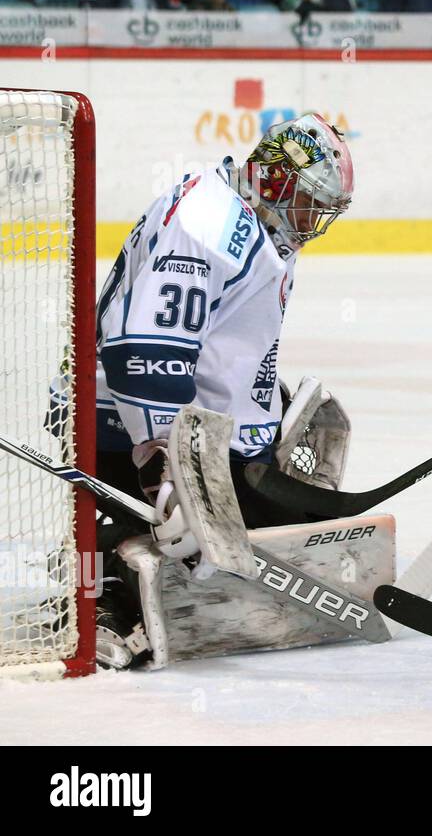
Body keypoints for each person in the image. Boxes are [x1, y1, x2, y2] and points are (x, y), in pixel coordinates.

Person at [92, 114, 354, 668]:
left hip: (204, 433)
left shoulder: (250, 218)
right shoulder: (208, 224)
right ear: (278, 180)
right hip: (125, 430)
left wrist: (266, 398)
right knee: (196, 553)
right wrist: (164, 469)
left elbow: (220, 334)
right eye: (311, 202)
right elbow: (145, 351)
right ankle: (110, 590)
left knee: (273, 530)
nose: (314, 222)